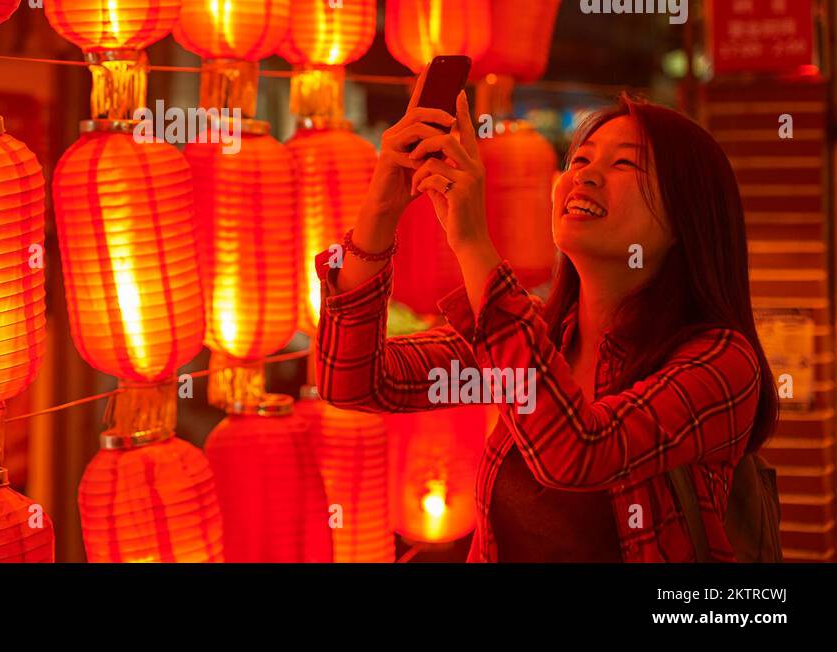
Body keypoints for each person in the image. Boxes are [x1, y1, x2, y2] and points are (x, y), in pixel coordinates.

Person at [315, 72, 777, 562]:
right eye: (579, 159)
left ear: (689, 218)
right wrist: (381, 211)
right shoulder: (541, 337)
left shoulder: (721, 362)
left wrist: (471, 241)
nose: (584, 175)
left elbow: (578, 451)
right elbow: (354, 380)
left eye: (624, 164)